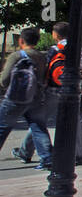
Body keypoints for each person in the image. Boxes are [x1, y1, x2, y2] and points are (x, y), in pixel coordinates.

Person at [14, 21, 69, 165]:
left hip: (52, 89)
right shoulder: (78, 49)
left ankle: (44, 156)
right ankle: (26, 151)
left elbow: (46, 69)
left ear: (55, 34)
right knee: (42, 121)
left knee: (37, 121)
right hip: (71, 91)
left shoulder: (55, 49)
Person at [0, 28, 53, 170]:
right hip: (35, 98)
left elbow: (4, 80)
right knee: (38, 127)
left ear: (21, 40)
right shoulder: (42, 57)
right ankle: (48, 158)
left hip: (15, 98)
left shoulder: (16, 56)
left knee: (2, 127)